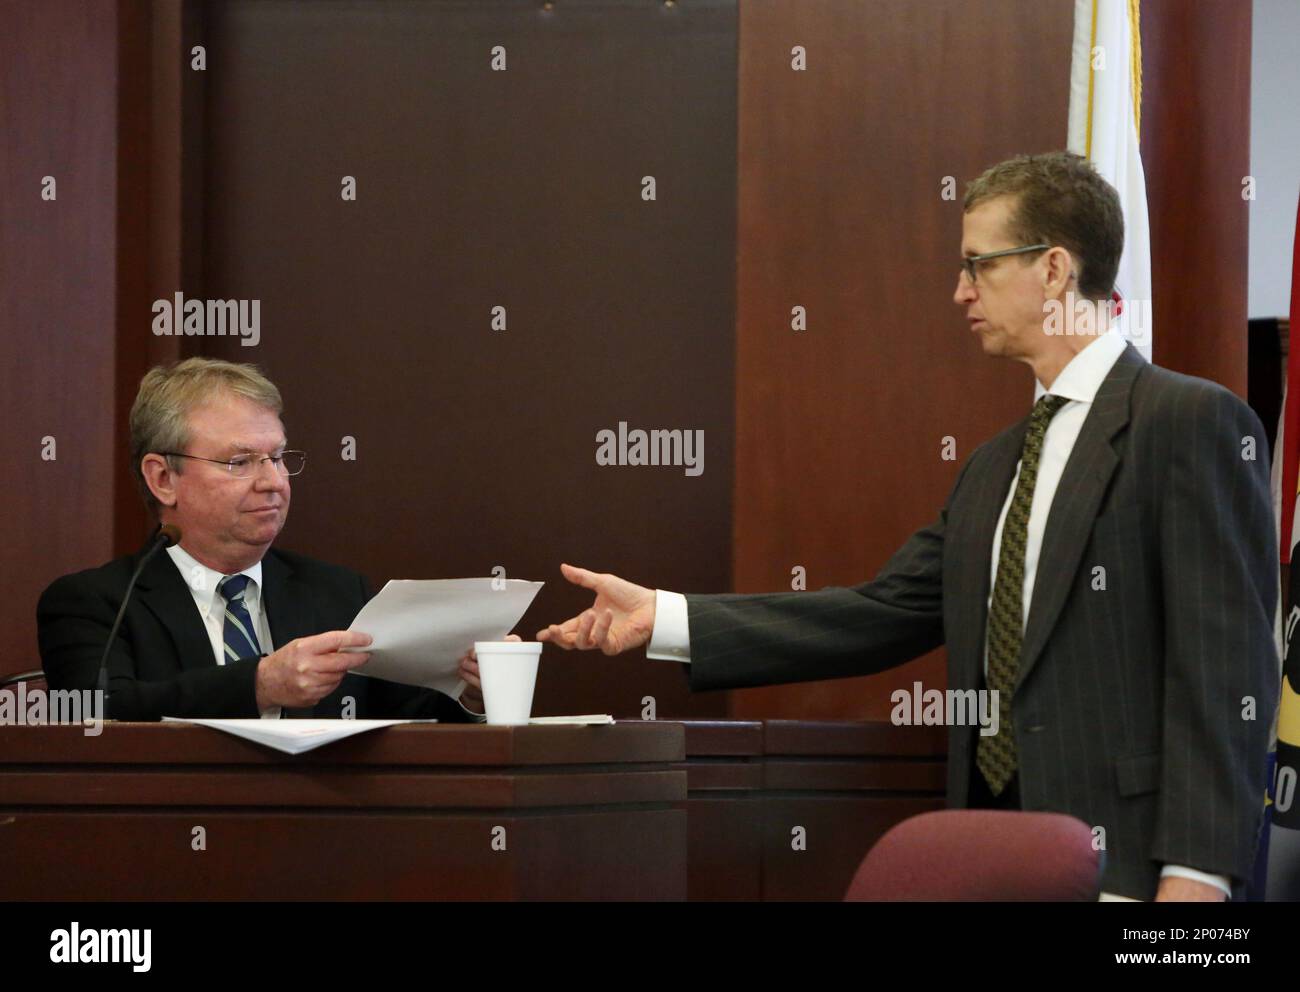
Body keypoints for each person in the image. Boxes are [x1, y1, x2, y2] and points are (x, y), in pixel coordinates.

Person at [538, 152, 1279, 902]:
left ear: (1054, 271)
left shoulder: (1187, 424)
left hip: (1134, 879)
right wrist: (663, 616)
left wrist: (1197, 880)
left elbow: (1225, 676)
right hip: (990, 868)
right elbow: (879, 614)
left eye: (978, 266)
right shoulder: (994, 467)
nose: (960, 292)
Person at [38, 358, 486, 723]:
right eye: (240, 462)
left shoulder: (337, 593)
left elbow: (410, 722)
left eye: (276, 457)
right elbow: (97, 717)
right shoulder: (96, 604)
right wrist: (259, 684)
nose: (274, 481)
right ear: (162, 479)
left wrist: (470, 691)